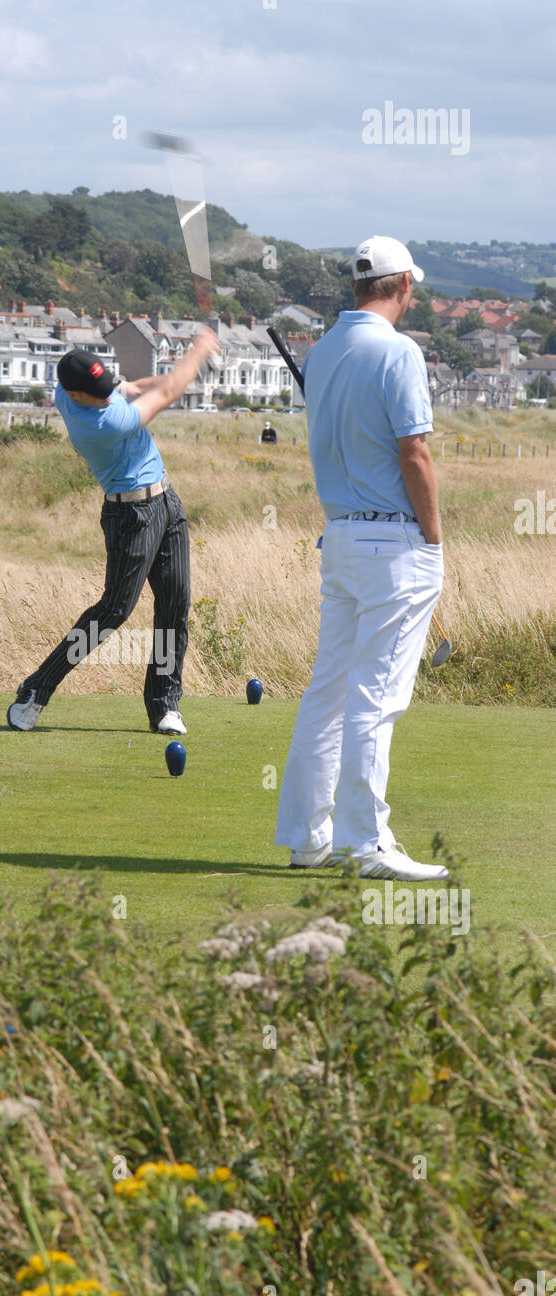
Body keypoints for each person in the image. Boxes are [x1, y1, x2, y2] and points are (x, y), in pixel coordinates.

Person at [274, 235, 447, 881]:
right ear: (403, 286)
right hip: (394, 542)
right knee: (375, 695)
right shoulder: (399, 352)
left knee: (330, 691)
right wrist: (433, 538)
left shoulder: (321, 353)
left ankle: (306, 836)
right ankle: (366, 843)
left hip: (342, 538)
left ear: (356, 287)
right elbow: (415, 454)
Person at [7, 329, 220, 734]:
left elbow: (140, 386)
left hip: (166, 502)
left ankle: (163, 705)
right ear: (76, 396)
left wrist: (193, 370)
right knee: (113, 612)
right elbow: (168, 392)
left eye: (107, 387)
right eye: (100, 393)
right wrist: (198, 350)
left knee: (175, 604)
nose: (109, 395)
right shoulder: (103, 422)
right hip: (131, 516)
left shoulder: (72, 388)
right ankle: (36, 689)